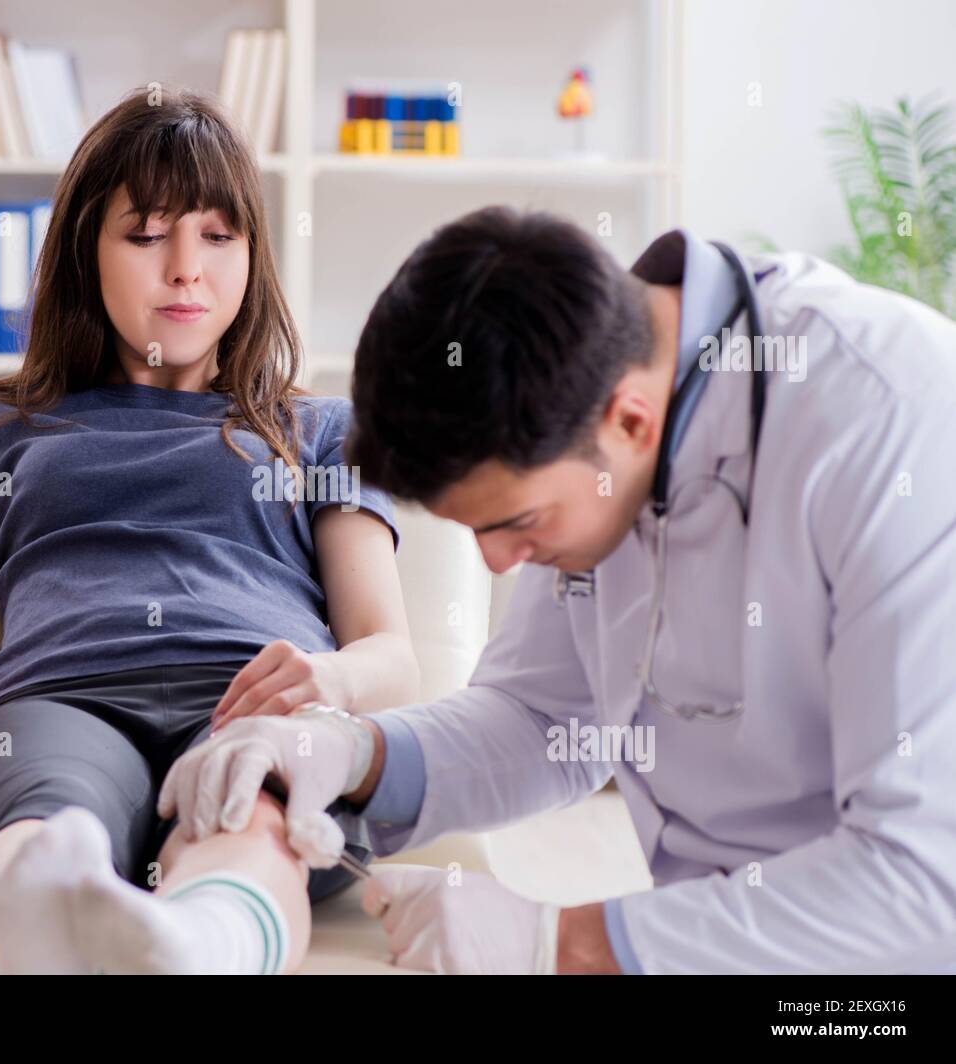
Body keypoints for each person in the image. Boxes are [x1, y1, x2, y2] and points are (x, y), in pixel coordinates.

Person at [160, 208, 956, 974]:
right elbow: (543, 718)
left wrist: (571, 945)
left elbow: (924, 886)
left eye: (518, 521)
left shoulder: (892, 419)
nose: (502, 565)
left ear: (631, 424)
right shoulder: (595, 388)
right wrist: (355, 752)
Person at [0, 87, 416, 975]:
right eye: (146, 235)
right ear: (85, 254)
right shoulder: (1, 425)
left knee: (252, 812)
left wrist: (327, 677)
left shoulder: (323, 429)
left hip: (254, 710)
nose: (186, 268)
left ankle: (195, 950)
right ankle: (40, 930)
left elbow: (392, 653)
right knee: (47, 812)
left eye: (218, 236)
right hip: (61, 705)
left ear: (253, 255)